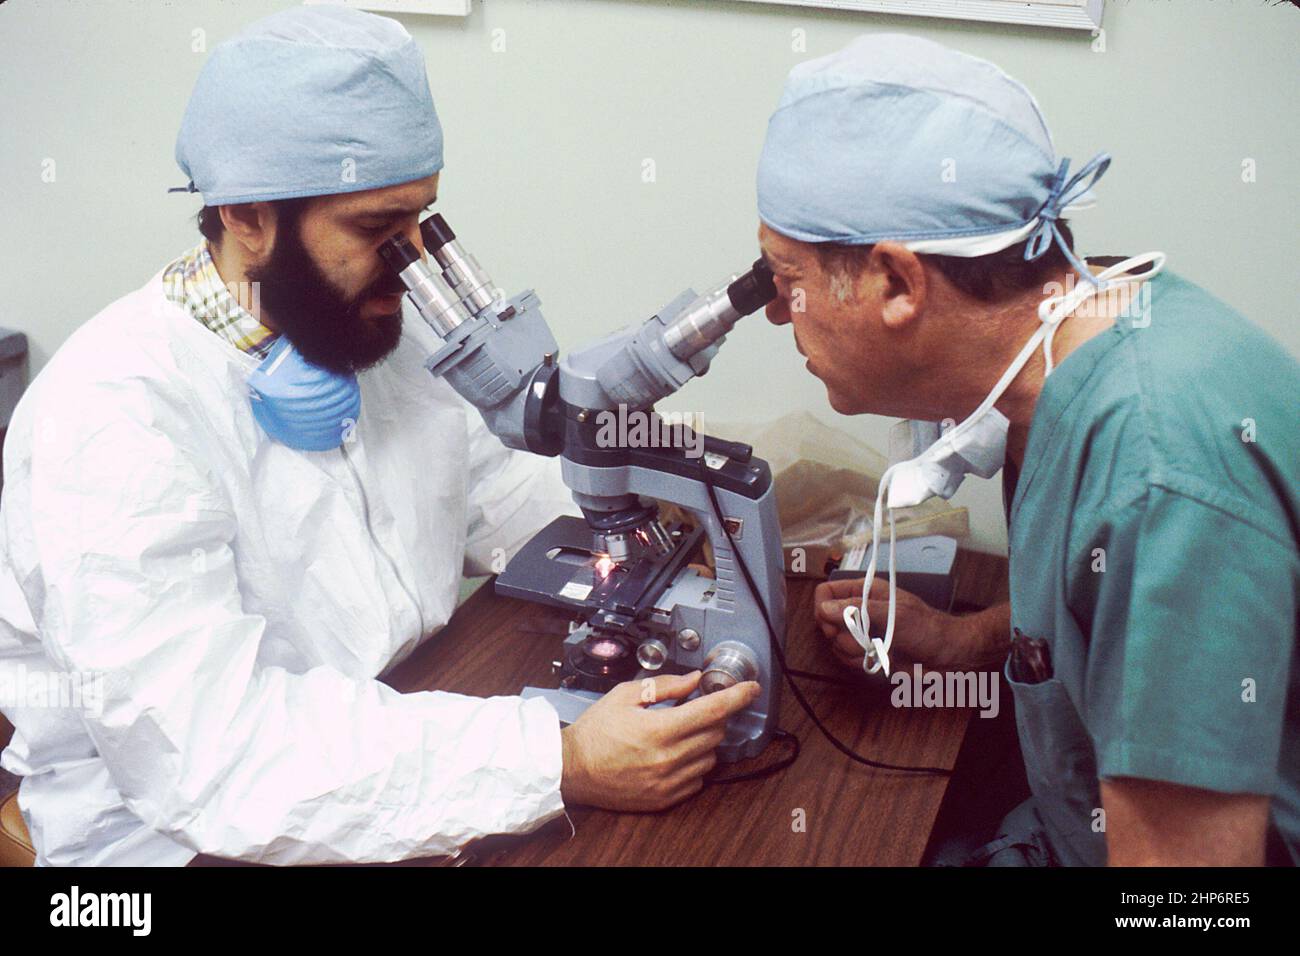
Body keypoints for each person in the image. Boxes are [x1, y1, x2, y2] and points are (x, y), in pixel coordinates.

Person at [0, 6, 756, 866]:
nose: (409, 267)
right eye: (373, 231)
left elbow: (510, 498)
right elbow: (216, 757)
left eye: (420, 226)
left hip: (405, 724)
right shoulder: (109, 420)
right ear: (248, 215)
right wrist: (559, 756)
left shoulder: (369, 333)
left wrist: (656, 543)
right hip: (171, 835)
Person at [755, 34, 1298, 866]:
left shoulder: (1158, 473)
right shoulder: (1078, 336)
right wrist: (958, 645)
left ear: (898, 282)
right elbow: (1113, 615)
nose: (775, 313)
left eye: (786, 279)